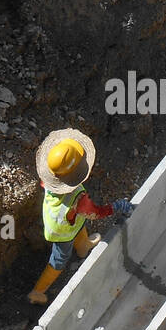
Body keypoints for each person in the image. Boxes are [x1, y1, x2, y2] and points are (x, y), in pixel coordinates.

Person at [28, 128, 134, 306]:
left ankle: (83, 247)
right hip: (61, 232)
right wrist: (116, 206)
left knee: (78, 223)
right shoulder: (79, 200)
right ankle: (37, 292)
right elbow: (96, 213)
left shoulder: (50, 179)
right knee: (59, 259)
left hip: (58, 217)